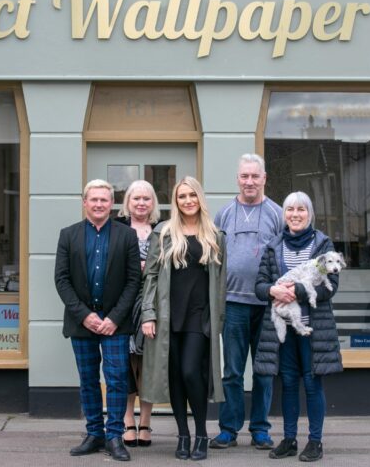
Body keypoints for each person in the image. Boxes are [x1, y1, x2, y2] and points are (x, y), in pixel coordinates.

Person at [140, 176, 226, 461]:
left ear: (199, 198)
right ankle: (183, 434)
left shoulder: (215, 235)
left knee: (191, 372)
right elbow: (150, 275)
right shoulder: (164, 233)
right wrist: (148, 314)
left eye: (192, 195)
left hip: (199, 317)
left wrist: (219, 321)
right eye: (181, 197)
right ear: (176, 202)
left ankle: (201, 433)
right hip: (168, 316)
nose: (187, 201)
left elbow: (222, 282)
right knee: (175, 376)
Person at [54, 179, 142, 462]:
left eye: (104, 200)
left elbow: (133, 281)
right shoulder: (68, 235)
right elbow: (62, 280)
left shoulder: (126, 236)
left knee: (116, 379)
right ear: (85, 202)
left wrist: (114, 318)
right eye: (94, 200)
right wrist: (86, 316)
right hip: (82, 323)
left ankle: (115, 436)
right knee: (88, 379)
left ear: (111, 203)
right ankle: (94, 434)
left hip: (115, 324)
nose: (99, 204)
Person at [253, 191, 343, 463]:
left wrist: (299, 291)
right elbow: (259, 286)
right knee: (289, 383)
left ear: (309, 213)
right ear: (284, 214)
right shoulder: (274, 245)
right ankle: (289, 439)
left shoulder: (323, 243)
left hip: (314, 327)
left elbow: (331, 288)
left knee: (313, 383)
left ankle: (315, 441)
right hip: (285, 326)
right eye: (290, 209)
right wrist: (273, 290)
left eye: (301, 209)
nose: (295, 214)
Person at [210, 153, 283, 450]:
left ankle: (261, 429)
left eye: (255, 176)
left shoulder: (277, 214)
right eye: (244, 176)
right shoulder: (224, 213)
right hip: (233, 303)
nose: (249, 181)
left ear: (264, 178)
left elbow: (283, 258)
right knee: (233, 372)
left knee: (264, 371)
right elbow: (213, 259)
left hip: (267, 305)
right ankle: (229, 428)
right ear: (237, 179)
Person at [115, 180, 161, 448]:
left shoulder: (162, 230)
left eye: (146, 198)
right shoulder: (117, 229)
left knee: (148, 367)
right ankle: (126, 421)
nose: (141, 203)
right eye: (136, 199)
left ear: (152, 202)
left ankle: (145, 422)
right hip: (124, 307)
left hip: (153, 307)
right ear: (127, 202)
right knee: (125, 367)